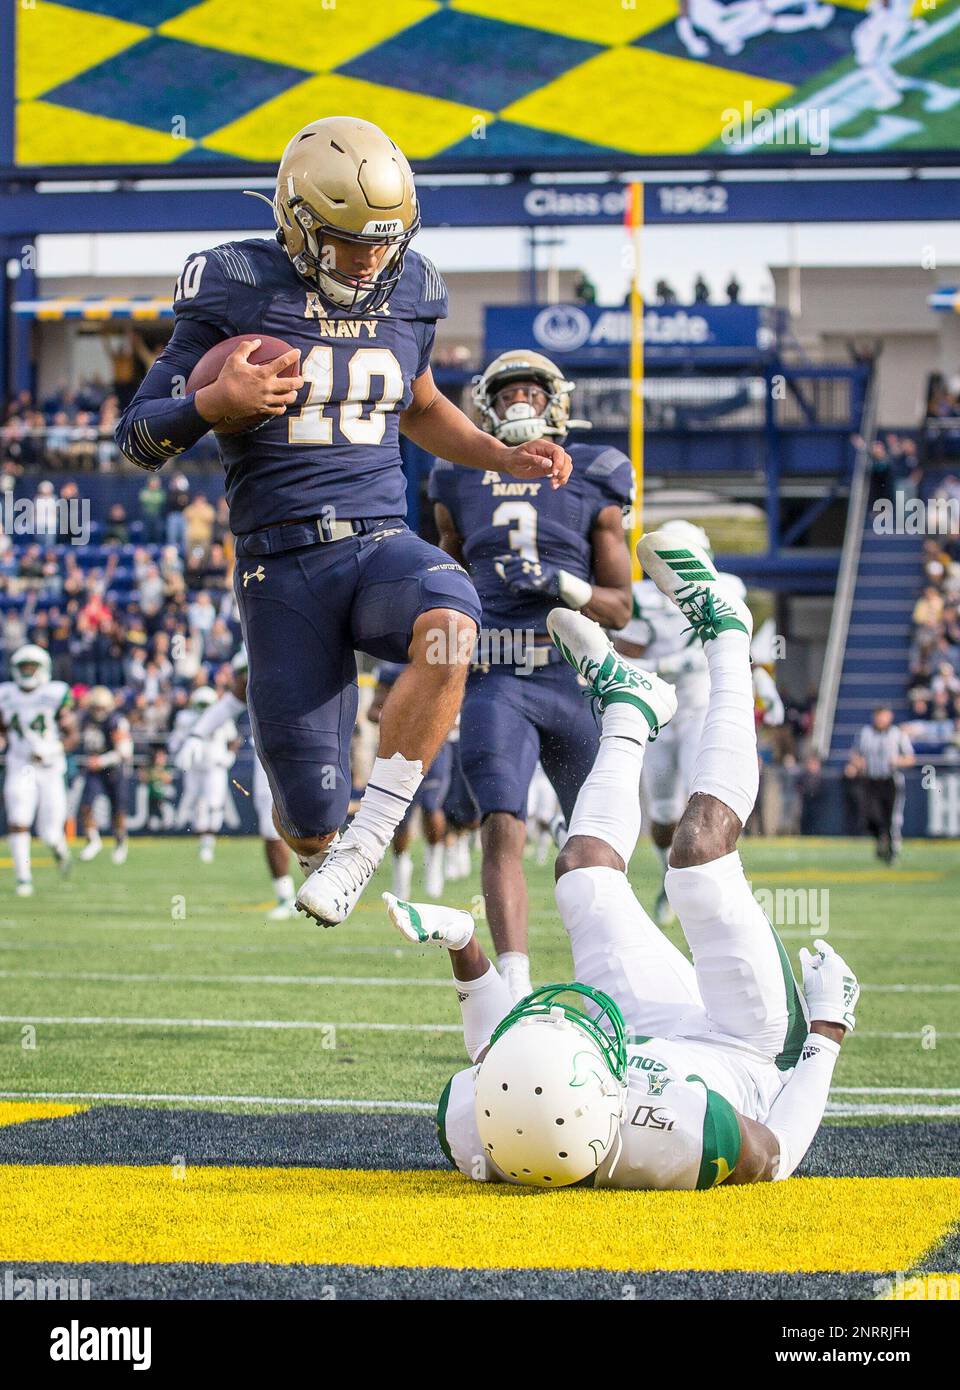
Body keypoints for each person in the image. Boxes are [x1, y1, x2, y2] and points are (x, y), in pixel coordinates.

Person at [116, 115, 570, 928]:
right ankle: (330, 827)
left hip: (377, 541)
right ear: (295, 222)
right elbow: (137, 437)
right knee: (307, 824)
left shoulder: (414, 286)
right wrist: (213, 405)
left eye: (383, 242)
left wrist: (499, 456)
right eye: (349, 242)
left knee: (451, 620)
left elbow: (421, 404)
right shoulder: (233, 281)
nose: (370, 261)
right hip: (279, 564)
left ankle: (373, 841)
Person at [388, 531, 859, 1191]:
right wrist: (828, 1034)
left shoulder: (479, 1120)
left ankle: (630, 710)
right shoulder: (677, 1136)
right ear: (603, 1094)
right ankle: (730, 637)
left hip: (648, 1034)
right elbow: (779, 1154)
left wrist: (465, 945)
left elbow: (495, 1050)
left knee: (580, 871)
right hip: (745, 1051)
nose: (564, 1018)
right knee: (696, 856)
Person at [430, 350, 631, 1000]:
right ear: (487, 405)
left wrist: (562, 584)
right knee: (503, 825)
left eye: (531, 391)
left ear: (555, 402)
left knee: (595, 845)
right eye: (508, 391)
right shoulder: (457, 476)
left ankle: (614, 985)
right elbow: (442, 581)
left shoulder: (595, 475)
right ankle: (513, 990)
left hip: (569, 676)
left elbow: (620, 607)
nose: (520, 400)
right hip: (498, 676)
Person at [614, 520, 747, 926]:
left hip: (702, 710)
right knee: (663, 812)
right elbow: (625, 660)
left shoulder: (726, 588)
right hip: (661, 711)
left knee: (704, 799)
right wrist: (666, 665)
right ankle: (669, 877)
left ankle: (716, 888)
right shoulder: (641, 600)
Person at [177, 648, 296, 918]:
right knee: (270, 824)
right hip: (268, 753)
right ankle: (285, 897)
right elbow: (228, 705)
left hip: (310, 749)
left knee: (320, 821)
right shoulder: (251, 669)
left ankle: (330, 886)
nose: (241, 682)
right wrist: (196, 735)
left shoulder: (298, 662)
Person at [367, 661, 451, 901]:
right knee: (400, 819)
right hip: (398, 752)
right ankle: (401, 870)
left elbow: (453, 715)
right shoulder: (392, 669)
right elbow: (373, 711)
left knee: (433, 807)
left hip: (434, 751)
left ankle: (434, 860)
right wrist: (399, 717)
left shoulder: (440, 662)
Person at [0, 645, 74, 895]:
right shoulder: (5, 694)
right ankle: (23, 878)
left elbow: (72, 734)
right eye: (24, 667)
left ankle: (59, 848)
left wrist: (53, 749)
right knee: (18, 820)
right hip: (20, 763)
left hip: (50, 767)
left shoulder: (55, 693)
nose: (28, 671)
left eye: (32, 667)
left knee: (50, 833)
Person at [844, 706, 914, 863]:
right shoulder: (865, 733)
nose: (881, 720)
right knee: (870, 817)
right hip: (870, 780)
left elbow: (910, 758)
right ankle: (880, 841)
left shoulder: (897, 734)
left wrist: (898, 761)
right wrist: (855, 764)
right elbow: (855, 754)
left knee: (893, 818)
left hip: (890, 780)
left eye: (884, 716)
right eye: (879, 716)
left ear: (890, 717)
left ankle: (892, 851)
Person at [77, 687, 133, 865]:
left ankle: (120, 843)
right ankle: (93, 840)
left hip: (114, 770)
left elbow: (124, 751)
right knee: (85, 805)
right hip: (95, 770)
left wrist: (100, 761)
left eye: (101, 707)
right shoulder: (85, 719)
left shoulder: (116, 721)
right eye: (95, 707)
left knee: (118, 811)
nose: (98, 711)